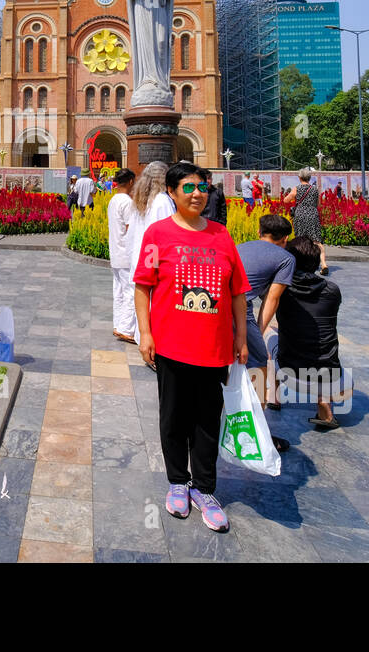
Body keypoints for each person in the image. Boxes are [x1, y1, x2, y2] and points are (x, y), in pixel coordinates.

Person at [134, 161, 250, 533]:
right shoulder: (157, 234)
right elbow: (142, 286)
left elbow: (237, 293)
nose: (197, 193)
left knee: (206, 421)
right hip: (171, 345)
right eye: (188, 187)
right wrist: (146, 334)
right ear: (172, 192)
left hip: (214, 347)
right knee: (173, 418)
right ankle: (177, 482)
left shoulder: (221, 235)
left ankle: (205, 489)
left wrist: (241, 338)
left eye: (203, 187)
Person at [237, 214, 296, 446]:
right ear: (285, 238)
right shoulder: (286, 258)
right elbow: (272, 299)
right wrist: (257, 332)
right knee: (259, 363)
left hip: (212, 306)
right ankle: (258, 433)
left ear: (260, 232)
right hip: (240, 306)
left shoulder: (239, 246)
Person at [276, 235, 346, 430]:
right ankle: (324, 404)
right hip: (330, 375)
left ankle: (273, 397)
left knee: (269, 336)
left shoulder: (282, 291)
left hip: (290, 370)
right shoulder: (332, 290)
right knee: (324, 341)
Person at [127, 161, 174, 296]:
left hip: (139, 261)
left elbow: (130, 235)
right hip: (154, 266)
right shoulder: (162, 200)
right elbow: (167, 236)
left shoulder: (140, 200)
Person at [107, 168, 138, 344]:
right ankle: (126, 328)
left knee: (118, 290)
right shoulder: (127, 202)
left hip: (116, 252)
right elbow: (129, 228)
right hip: (126, 253)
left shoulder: (114, 199)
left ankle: (118, 324)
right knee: (130, 291)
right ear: (131, 182)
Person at [282, 168, 329, 275]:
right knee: (316, 241)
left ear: (299, 177)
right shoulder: (315, 189)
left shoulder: (297, 188)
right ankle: (324, 264)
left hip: (301, 215)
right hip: (313, 214)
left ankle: (300, 264)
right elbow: (318, 204)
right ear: (309, 178)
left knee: (300, 240)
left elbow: (286, 200)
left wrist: (291, 195)